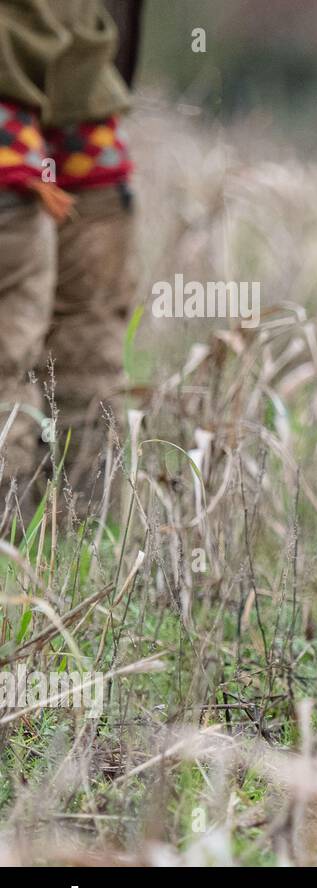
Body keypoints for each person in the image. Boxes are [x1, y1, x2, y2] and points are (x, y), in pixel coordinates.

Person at [0, 0, 138, 511]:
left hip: (14, 158)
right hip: (88, 145)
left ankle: (10, 567)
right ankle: (86, 557)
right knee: (89, 371)